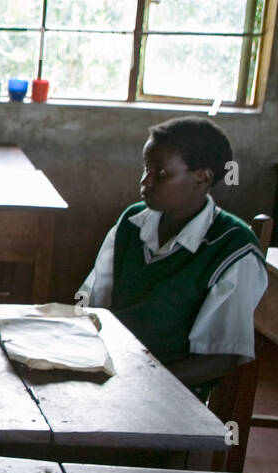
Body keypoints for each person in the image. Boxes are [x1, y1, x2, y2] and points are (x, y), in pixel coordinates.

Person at [78, 116, 266, 398]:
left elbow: (221, 357)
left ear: (202, 178)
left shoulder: (233, 248)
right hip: (114, 374)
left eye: (161, 173)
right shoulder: (131, 222)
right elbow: (95, 307)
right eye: (145, 168)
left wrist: (139, 381)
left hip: (176, 395)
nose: (145, 181)